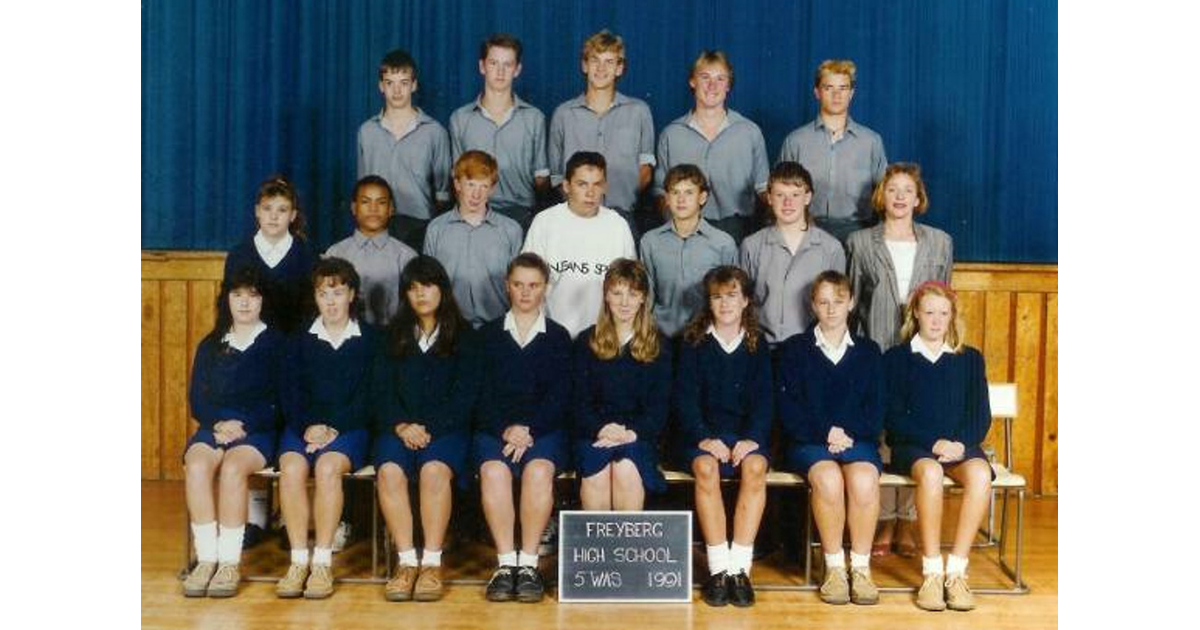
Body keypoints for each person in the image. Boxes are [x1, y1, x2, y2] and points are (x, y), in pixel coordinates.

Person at [846, 162, 953, 559]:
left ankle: (905, 521)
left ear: (918, 196)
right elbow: (853, 303)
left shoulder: (940, 242)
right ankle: (881, 519)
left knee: (918, 429)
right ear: (881, 196)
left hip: (920, 350)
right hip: (877, 347)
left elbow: (946, 300)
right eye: (893, 189)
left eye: (908, 189)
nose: (900, 196)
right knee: (882, 431)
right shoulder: (860, 243)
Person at [372, 256, 480, 602]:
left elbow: (466, 397)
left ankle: (431, 564)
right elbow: (380, 390)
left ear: (442, 290)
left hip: (446, 431)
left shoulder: (464, 336)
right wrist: (402, 426)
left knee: (434, 471)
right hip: (399, 429)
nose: (421, 294)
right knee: (389, 471)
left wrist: (427, 428)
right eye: (413, 287)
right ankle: (406, 563)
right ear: (405, 294)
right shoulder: (392, 335)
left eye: (428, 286)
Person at [776, 271, 883, 606]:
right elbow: (789, 407)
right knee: (828, 479)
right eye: (823, 302)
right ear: (813, 305)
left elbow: (877, 408)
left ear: (851, 302)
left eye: (838, 301)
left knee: (864, 479)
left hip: (856, 438)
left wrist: (847, 434)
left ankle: (861, 569)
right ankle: (835, 567)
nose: (832, 309)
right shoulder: (795, 349)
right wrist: (826, 433)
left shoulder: (868, 351)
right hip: (809, 440)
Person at [884, 281, 993, 612]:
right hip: (915, 447)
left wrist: (960, 445)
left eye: (943, 313)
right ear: (915, 313)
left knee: (980, 475)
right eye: (929, 312)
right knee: (930, 473)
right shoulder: (897, 358)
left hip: (960, 447)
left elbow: (980, 414)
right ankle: (932, 572)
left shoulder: (969, 358)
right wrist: (934, 443)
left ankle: (956, 572)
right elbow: (891, 416)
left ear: (952, 317)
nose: (935, 320)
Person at [275, 259, 380, 599]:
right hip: (305, 426)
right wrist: (309, 426)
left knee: (327, 466)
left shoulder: (370, 339)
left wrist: (336, 429)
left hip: (350, 428)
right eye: (323, 294)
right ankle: (297, 560)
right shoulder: (299, 338)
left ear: (352, 294)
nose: (331, 301)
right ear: (315, 298)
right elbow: (289, 391)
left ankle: (321, 562)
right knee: (291, 468)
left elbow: (371, 395)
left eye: (338, 292)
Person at [181, 266, 287, 598]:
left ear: (263, 301)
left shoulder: (276, 343)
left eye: (252, 296)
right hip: (216, 427)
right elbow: (198, 399)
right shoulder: (211, 344)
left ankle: (228, 563)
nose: (244, 303)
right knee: (197, 466)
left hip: (257, 430)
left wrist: (245, 426)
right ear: (226, 299)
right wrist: (218, 424)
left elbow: (281, 401)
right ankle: (206, 558)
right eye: (237, 295)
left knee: (232, 468)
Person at [474, 253, 573, 604]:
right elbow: (480, 392)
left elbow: (561, 396)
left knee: (538, 471)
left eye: (533, 285)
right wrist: (506, 430)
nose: (525, 292)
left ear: (545, 288)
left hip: (543, 430)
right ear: (507, 286)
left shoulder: (559, 337)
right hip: (496, 429)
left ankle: (528, 563)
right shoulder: (486, 334)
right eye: (518, 284)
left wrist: (529, 429)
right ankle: (505, 565)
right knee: (494, 472)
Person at [674, 266, 772, 608]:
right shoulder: (693, 342)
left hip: (745, 437)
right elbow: (684, 399)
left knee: (756, 467)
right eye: (717, 297)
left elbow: (765, 401)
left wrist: (751, 439)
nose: (725, 303)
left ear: (745, 300)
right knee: (705, 469)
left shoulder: (758, 344)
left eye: (732, 295)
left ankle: (739, 569)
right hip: (700, 436)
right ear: (709, 303)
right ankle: (718, 570)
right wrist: (704, 437)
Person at [572, 259, 671, 511]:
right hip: (594, 433)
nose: (625, 302)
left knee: (626, 469)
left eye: (633, 294)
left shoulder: (660, 344)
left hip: (639, 435)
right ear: (606, 296)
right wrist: (602, 429)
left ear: (643, 298)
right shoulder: (586, 341)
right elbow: (577, 401)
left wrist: (630, 433)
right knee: (597, 470)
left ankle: (626, 549)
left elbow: (660, 407)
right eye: (617, 293)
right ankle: (600, 550)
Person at [653, 50, 769, 244]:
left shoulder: (749, 132)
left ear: (728, 86)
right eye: (705, 77)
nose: (712, 86)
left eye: (720, 79)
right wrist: (675, 229)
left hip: (738, 230)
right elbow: (659, 191)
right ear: (692, 82)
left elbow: (763, 188)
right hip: (685, 230)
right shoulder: (672, 134)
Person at [548, 29, 655, 235]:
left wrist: (621, 200)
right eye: (595, 60)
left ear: (620, 68)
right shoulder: (563, 114)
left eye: (609, 61)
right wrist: (580, 207)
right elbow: (556, 175)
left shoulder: (639, 111)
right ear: (584, 65)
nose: (601, 68)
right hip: (573, 219)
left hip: (622, 215)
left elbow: (645, 171)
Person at [522, 151, 636, 339]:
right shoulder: (544, 222)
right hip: (552, 334)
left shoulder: (618, 226)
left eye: (597, 184)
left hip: (603, 336)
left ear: (605, 186)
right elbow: (528, 283)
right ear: (566, 186)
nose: (590, 193)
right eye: (582, 184)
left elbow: (631, 286)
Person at [778, 59, 887, 243]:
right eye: (828, 88)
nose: (836, 95)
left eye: (843, 88)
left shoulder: (871, 142)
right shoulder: (795, 141)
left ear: (851, 93)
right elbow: (780, 191)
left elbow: (883, 194)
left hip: (858, 232)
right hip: (807, 230)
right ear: (817, 92)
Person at [448, 34, 549, 231]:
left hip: (521, 215)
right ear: (482, 66)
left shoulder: (534, 118)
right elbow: (457, 178)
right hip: (474, 216)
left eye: (508, 64)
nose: (500, 72)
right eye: (493, 63)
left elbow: (541, 180)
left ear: (517, 69)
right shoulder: (460, 119)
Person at [739, 161, 845, 346]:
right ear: (769, 198)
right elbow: (742, 303)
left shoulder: (830, 248)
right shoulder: (751, 246)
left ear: (808, 197)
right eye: (780, 195)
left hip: (812, 350)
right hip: (763, 347)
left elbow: (838, 307)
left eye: (795, 195)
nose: (788, 202)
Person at [357, 49, 452, 251]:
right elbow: (363, 185)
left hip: (419, 224)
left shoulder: (434, 132)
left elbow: (443, 194)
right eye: (390, 83)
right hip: (377, 223)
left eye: (404, 83)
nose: (397, 91)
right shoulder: (367, 131)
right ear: (381, 86)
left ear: (414, 85)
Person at [423, 150, 524, 328]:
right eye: (470, 184)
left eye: (484, 186)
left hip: (497, 326)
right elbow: (428, 283)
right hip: (449, 327)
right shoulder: (436, 229)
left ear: (492, 189)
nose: (476, 194)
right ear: (457, 184)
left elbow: (519, 284)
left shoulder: (511, 230)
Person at [640, 164, 737, 339]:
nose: (681, 199)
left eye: (689, 192)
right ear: (667, 198)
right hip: (661, 335)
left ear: (702, 197)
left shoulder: (723, 243)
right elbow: (646, 294)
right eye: (675, 192)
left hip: (706, 336)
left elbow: (732, 296)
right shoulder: (650, 241)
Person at [223, 175, 315, 334]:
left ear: (293, 215)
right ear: (257, 211)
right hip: (250, 346)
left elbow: (313, 313)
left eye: (282, 210)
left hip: (295, 348)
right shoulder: (239, 255)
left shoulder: (307, 256)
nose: (274, 216)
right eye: (267, 208)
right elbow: (226, 311)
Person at [325, 175, 419, 326]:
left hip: (391, 338)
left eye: (381, 202)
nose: (373, 209)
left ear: (391, 209)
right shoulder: (335, 253)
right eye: (365, 202)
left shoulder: (407, 256)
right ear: (354, 208)